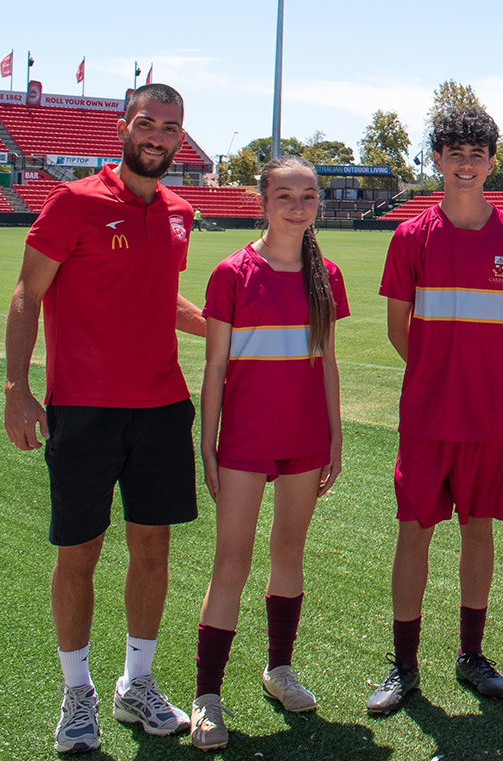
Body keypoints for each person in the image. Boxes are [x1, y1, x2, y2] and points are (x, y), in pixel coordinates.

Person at [3, 83, 200, 754]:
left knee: (152, 548)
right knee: (79, 550)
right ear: (124, 125)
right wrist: (16, 386)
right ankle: (76, 693)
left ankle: (135, 684)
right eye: (148, 121)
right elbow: (28, 293)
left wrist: (232, 328)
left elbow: (162, 297)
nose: (158, 135)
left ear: (181, 138)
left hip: (163, 407)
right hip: (83, 410)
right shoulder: (75, 202)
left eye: (171, 126)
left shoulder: (179, 212)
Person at [367, 107, 503, 713]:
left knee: (478, 529)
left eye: (477, 154)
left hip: (490, 415)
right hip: (426, 415)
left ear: (492, 162)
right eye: (454, 153)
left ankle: (471, 655)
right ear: (437, 162)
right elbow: (400, 330)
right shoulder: (410, 237)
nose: (466, 164)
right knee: (413, 531)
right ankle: (404, 665)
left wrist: (481, 376)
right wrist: (439, 377)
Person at [189, 156, 349, 749]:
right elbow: (213, 368)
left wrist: (335, 434)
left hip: (305, 438)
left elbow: (327, 363)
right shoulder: (232, 273)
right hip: (246, 440)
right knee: (231, 560)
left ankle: (279, 669)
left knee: (289, 551)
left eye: (308, 195)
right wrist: (206, 444)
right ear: (263, 201)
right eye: (286, 194)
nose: (298, 205)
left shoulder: (326, 275)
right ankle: (207, 696)